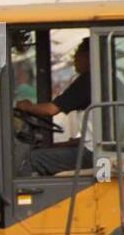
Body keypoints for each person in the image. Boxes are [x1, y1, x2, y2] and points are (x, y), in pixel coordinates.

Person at [14, 40, 91, 175]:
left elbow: (51, 109)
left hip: (95, 155)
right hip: (100, 151)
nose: (74, 58)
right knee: (48, 150)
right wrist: (64, 144)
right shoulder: (106, 79)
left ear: (89, 56)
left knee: (29, 159)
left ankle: (25, 195)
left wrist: (27, 107)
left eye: (77, 53)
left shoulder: (88, 80)